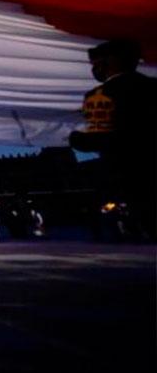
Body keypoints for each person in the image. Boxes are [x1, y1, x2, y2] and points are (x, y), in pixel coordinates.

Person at [69, 39, 157, 239]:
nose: (95, 69)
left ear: (110, 62)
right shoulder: (152, 86)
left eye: (97, 64)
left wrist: (75, 138)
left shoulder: (100, 95)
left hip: (131, 171)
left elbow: (102, 137)